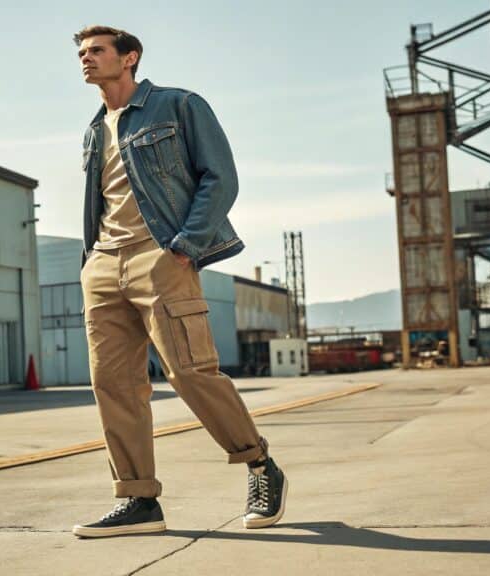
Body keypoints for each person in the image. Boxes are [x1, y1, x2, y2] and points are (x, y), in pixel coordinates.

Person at [71, 25, 286, 538]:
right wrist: (89, 263)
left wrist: (185, 246)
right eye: (81, 53)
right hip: (103, 263)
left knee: (190, 372)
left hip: (160, 256)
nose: (86, 59)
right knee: (114, 386)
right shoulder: (94, 128)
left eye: (97, 51)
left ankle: (260, 465)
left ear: (129, 58)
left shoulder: (179, 105)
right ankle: (138, 500)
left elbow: (220, 177)